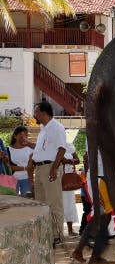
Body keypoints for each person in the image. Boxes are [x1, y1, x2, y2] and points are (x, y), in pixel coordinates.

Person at [31, 102, 67, 245]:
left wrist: (54, 169)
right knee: (42, 204)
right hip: (39, 169)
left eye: (36, 112)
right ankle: (46, 234)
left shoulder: (56, 128)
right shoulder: (43, 129)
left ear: (43, 113)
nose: (35, 115)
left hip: (50, 167)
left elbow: (62, 149)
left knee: (54, 203)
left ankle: (57, 236)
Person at [72, 152, 115, 264]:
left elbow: (87, 157)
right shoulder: (102, 135)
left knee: (101, 216)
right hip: (100, 179)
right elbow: (87, 157)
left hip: (96, 178)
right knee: (103, 217)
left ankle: (91, 254)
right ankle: (85, 253)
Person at [61, 142, 80, 237]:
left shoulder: (69, 145)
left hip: (68, 179)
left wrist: (69, 161)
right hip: (57, 177)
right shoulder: (53, 145)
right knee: (58, 204)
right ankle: (58, 231)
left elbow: (78, 160)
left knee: (69, 204)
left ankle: (70, 229)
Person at [8, 126, 33, 196]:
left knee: (26, 202)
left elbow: (31, 168)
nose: (24, 138)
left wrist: (31, 182)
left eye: (26, 135)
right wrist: (25, 168)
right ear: (15, 136)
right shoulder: (8, 149)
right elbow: (9, 167)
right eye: (21, 135)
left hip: (26, 179)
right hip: (12, 179)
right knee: (12, 201)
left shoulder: (30, 149)